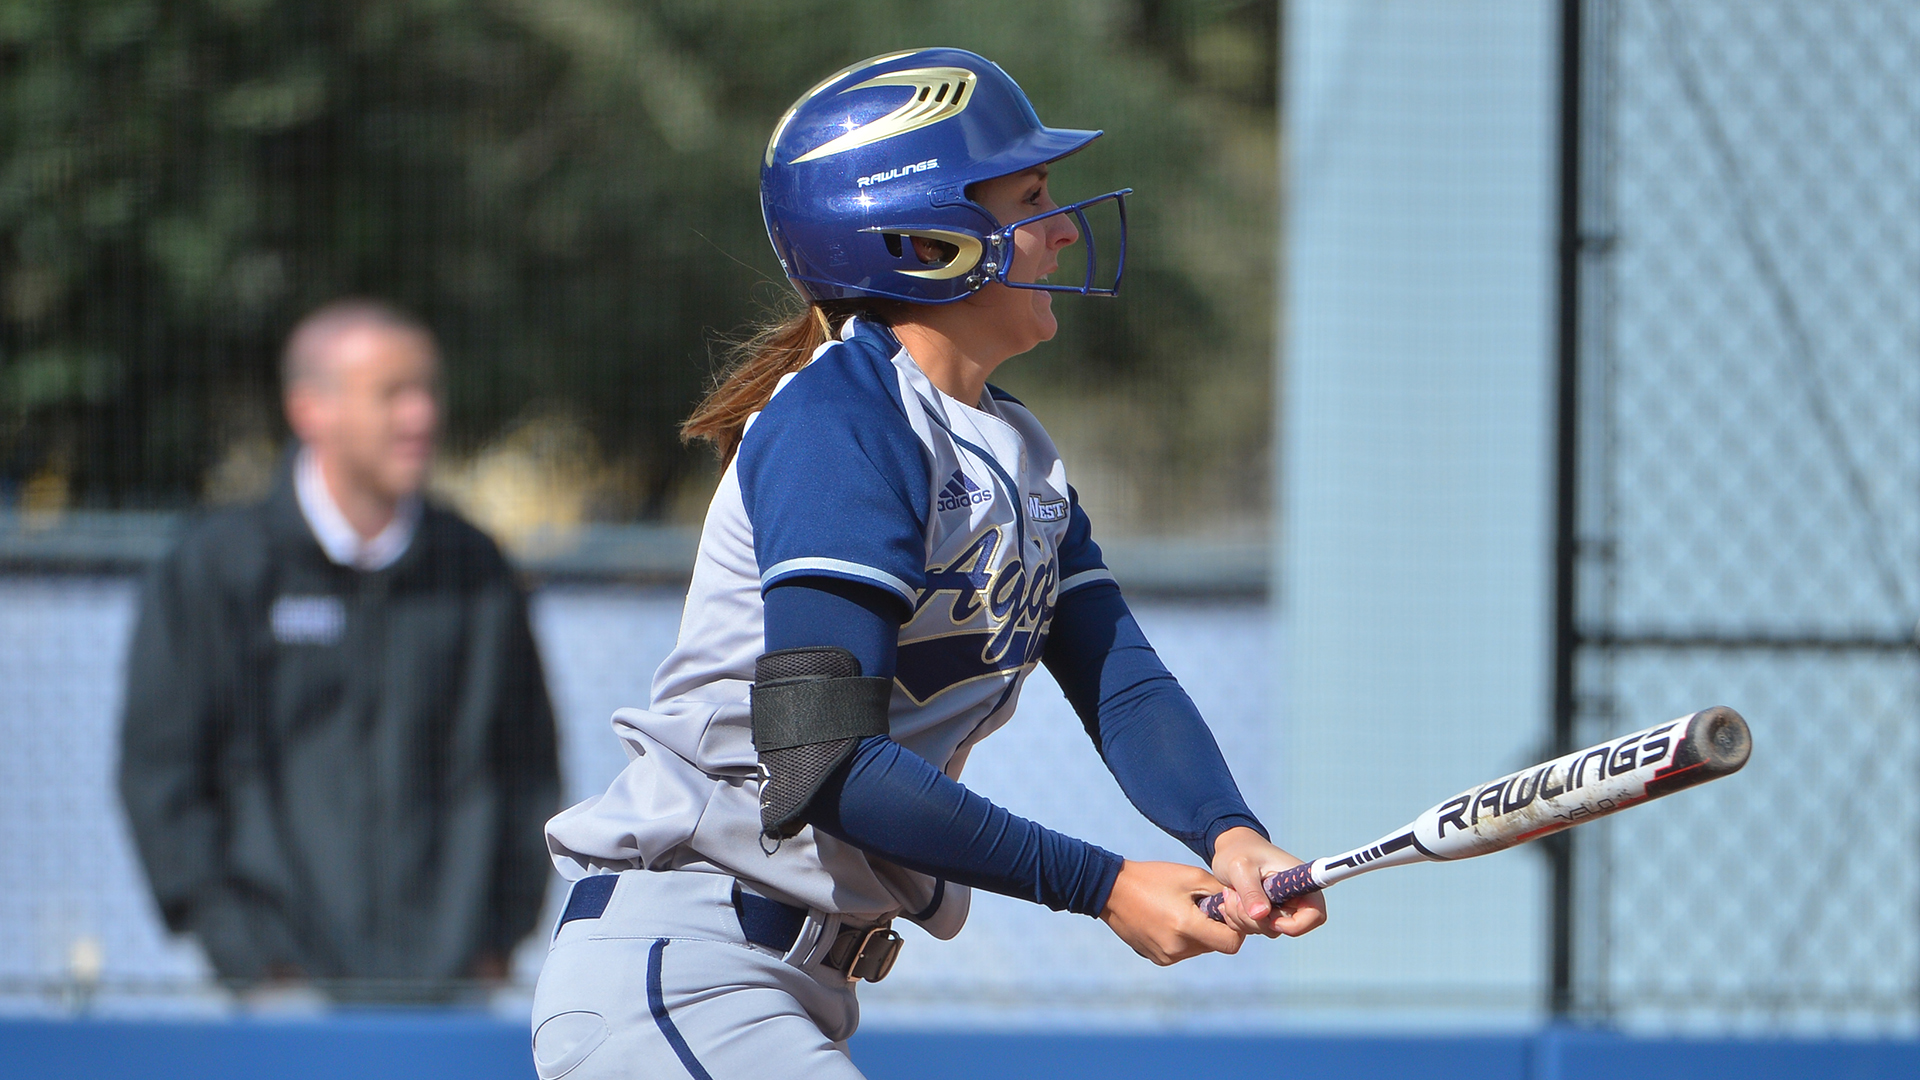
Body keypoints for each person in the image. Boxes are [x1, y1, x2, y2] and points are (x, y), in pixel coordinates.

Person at [531, 49, 1325, 1079]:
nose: (1065, 225)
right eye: (1031, 196)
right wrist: (1107, 885)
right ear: (923, 242)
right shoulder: (840, 421)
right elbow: (827, 764)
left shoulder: (1012, 448)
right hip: (687, 964)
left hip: (788, 983)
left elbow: (1118, 675)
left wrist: (1228, 833)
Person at [118, 300, 560, 997]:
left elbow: (530, 766)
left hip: (450, 994)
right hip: (283, 997)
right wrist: (250, 958)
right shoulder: (215, 571)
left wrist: (496, 942)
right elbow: (162, 778)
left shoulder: (477, 572)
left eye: (428, 391)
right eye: (392, 394)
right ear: (309, 409)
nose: (420, 416)